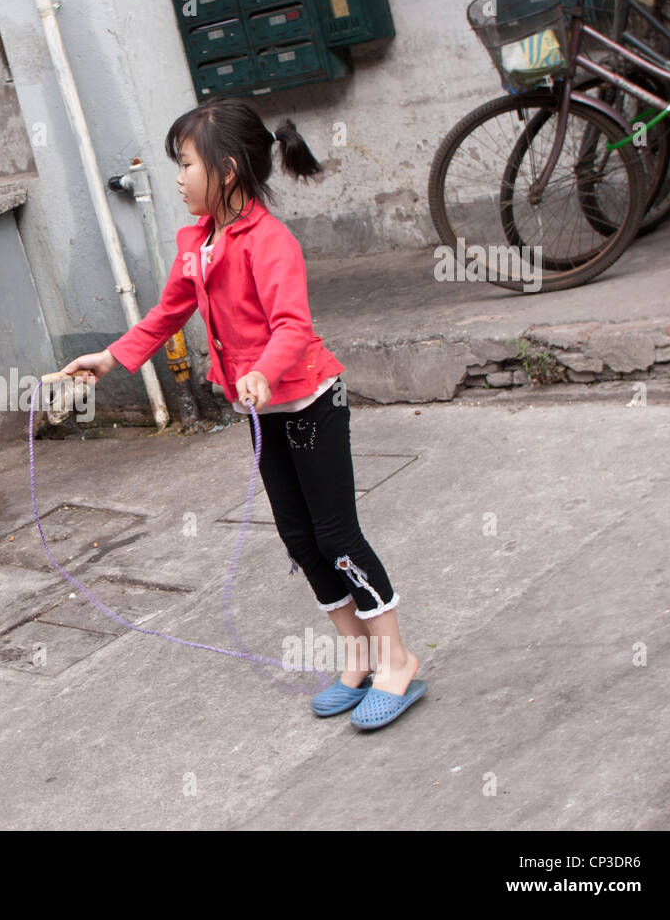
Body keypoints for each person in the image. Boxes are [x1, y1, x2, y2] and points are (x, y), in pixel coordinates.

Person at [59, 97, 425, 730]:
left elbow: (292, 326)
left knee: (337, 536)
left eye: (185, 164)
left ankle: (397, 661)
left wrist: (261, 371)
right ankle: (357, 656)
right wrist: (112, 359)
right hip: (263, 411)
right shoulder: (198, 243)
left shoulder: (270, 242)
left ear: (226, 171)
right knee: (298, 536)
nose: (177, 178)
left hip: (310, 400)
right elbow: (168, 313)